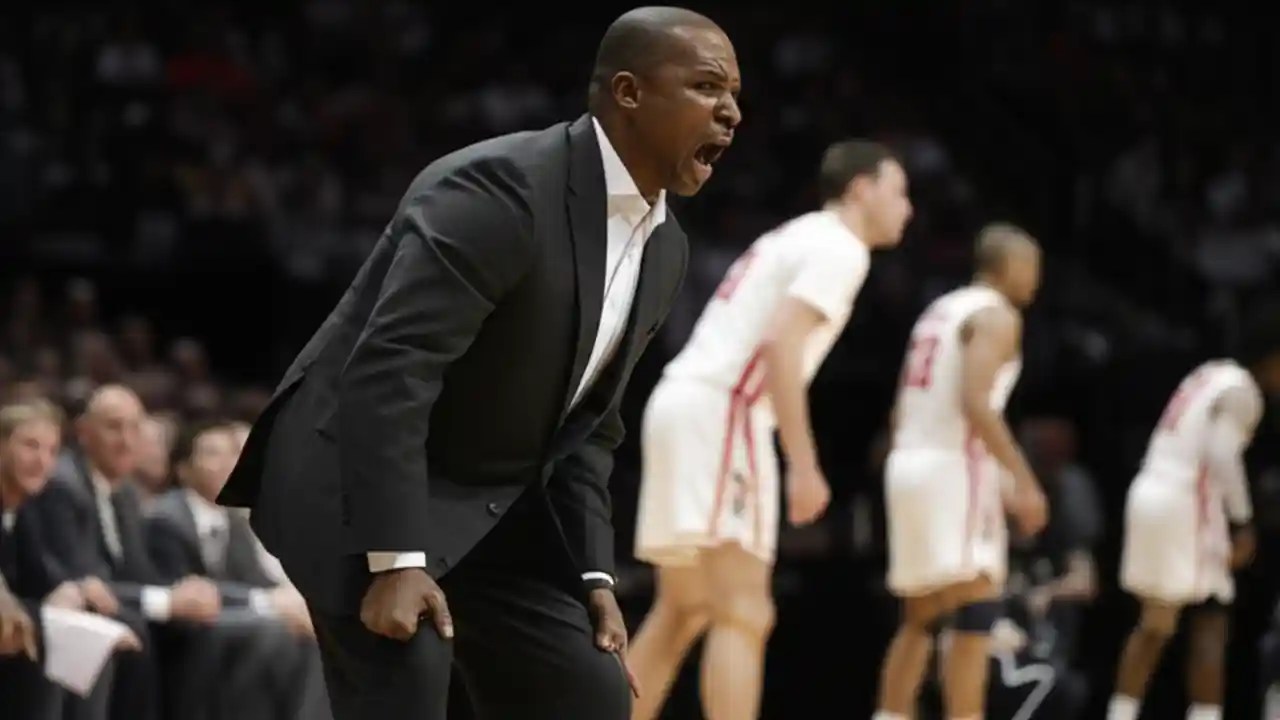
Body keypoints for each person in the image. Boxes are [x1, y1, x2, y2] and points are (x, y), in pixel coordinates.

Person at [214, 7, 742, 719]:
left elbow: (589, 427)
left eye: (735, 94)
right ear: (628, 92)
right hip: (354, 479)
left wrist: (591, 572)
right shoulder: (501, 189)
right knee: (407, 673)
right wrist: (397, 559)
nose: (732, 113)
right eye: (708, 87)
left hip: (481, 499)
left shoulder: (665, 246)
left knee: (588, 693)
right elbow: (391, 369)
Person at [627, 140, 913, 720]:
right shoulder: (840, 246)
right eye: (899, 192)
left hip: (684, 402)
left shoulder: (796, 234)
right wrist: (803, 464)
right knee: (744, 610)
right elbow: (782, 346)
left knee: (683, 610)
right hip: (725, 414)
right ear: (860, 190)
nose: (907, 209)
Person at [874, 224, 1048, 720]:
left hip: (908, 462)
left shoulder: (940, 310)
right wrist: (1024, 479)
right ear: (1009, 266)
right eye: (1032, 268)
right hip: (953, 468)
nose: (1036, 281)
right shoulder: (997, 315)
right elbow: (976, 401)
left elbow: (901, 409)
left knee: (921, 616)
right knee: (976, 609)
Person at [1106, 307, 1280, 720]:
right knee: (1211, 619)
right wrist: (1241, 522)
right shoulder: (1244, 392)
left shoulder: (1209, 374)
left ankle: (1120, 713)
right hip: (1185, 503)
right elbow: (1221, 456)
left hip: (1149, 491)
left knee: (1155, 625)